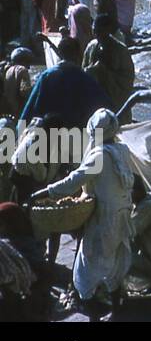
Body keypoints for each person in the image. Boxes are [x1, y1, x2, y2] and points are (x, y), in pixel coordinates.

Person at [32, 109, 134, 317]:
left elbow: (74, 181)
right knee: (114, 265)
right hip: (122, 214)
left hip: (104, 219)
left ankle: (94, 313)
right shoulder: (122, 149)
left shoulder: (99, 155)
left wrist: (44, 192)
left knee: (85, 271)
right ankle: (116, 310)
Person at [81, 12, 134, 112]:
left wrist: (105, 72)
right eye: (94, 31)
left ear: (108, 30)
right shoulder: (91, 47)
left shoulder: (121, 51)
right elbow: (83, 72)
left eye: (99, 31)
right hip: (94, 99)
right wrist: (92, 70)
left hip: (116, 101)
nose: (96, 34)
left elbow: (128, 79)